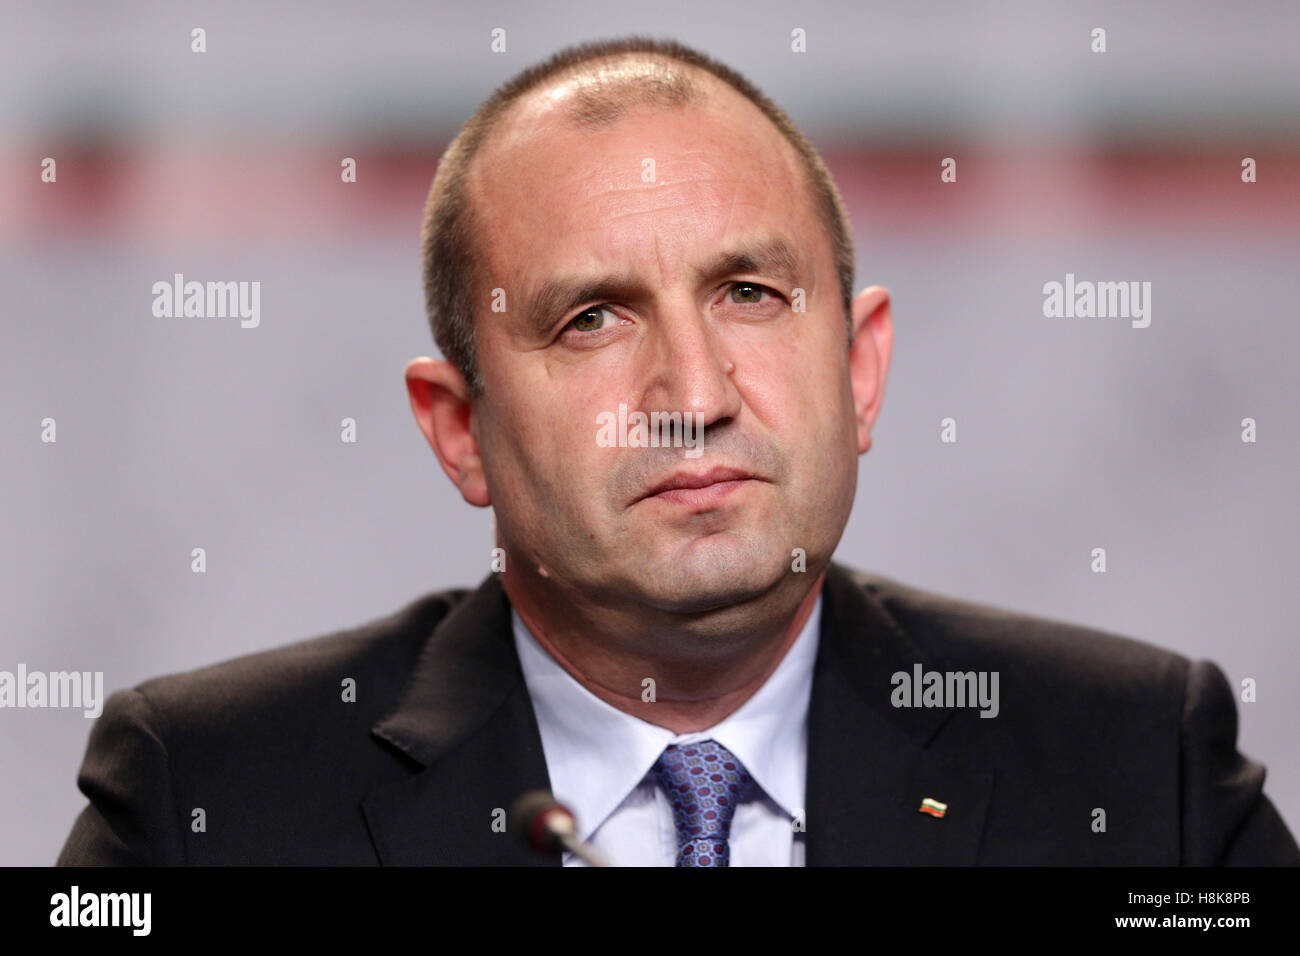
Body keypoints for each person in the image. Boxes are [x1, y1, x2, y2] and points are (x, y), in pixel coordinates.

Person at [58, 36, 1298, 867]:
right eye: (590, 318)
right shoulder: (204, 802)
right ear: (460, 429)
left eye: (750, 293)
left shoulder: (1140, 770)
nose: (692, 395)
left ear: (860, 370)